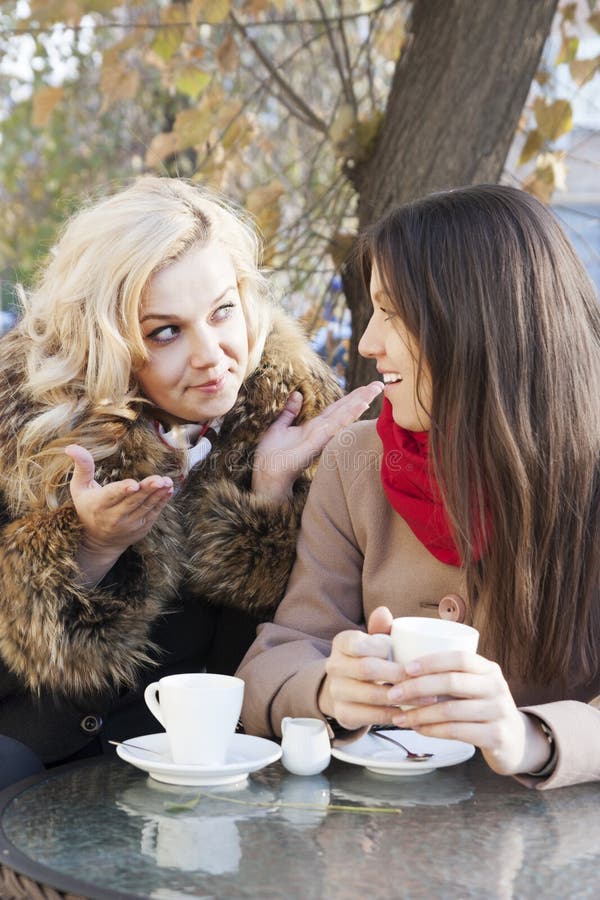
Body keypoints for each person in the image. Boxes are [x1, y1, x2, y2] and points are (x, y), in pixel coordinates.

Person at [0, 175, 382, 788]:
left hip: (206, 771)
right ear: (107, 340)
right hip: (42, 764)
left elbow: (256, 669)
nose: (213, 355)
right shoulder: (25, 429)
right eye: (166, 332)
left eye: (221, 311)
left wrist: (269, 494)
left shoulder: (294, 424)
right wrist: (91, 547)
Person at [238, 184, 600, 789]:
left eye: (393, 312)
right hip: (376, 845)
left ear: (480, 322)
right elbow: (274, 662)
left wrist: (530, 737)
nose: (366, 343)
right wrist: (330, 689)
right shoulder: (356, 461)